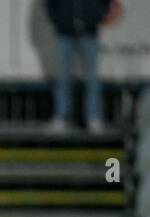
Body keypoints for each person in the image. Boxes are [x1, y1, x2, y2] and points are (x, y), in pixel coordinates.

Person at [45, 0, 114, 133]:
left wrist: (97, 16)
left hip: (89, 31)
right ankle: (62, 117)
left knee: (92, 78)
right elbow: (50, 4)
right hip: (64, 31)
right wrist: (59, 19)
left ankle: (94, 117)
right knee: (63, 77)